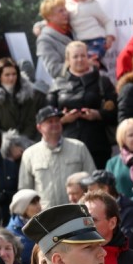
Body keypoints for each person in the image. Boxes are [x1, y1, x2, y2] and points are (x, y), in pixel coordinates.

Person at [47, 41, 118, 169]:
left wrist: (98, 114)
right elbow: (46, 117)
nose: (80, 60)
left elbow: (117, 112)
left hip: (97, 145)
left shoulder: (102, 81)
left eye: (83, 56)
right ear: (68, 60)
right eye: (75, 56)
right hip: (68, 145)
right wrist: (63, 119)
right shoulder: (57, 84)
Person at [19, 107, 96, 209]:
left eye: (57, 120)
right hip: (46, 215)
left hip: (77, 212)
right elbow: (25, 192)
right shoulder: (29, 154)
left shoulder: (79, 147)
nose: (55, 124)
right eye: (50, 121)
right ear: (39, 127)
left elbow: (93, 182)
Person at [0, 57, 41, 141]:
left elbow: (31, 120)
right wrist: (8, 142)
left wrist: (24, 140)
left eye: (14, 74)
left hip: (28, 140)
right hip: (4, 142)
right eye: (7, 75)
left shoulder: (27, 93)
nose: (11, 78)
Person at [65, 0, 115, 66]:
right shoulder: (67, 5)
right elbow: (53, 16)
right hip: (81, 42)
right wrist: (40, 26)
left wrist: (110, 36)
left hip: (97, 40)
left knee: (90, 60)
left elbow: (107, 21)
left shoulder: (92, 4)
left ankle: (96, 67)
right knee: (81, 60)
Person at [35, 0, 73, 81]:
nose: (65, 13)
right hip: (70, 86)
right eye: (61, 11)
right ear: (49, 16)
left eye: (65, 9)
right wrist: (82, 65)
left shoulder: (72, 28)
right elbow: (54, 70)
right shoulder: (44, 40)